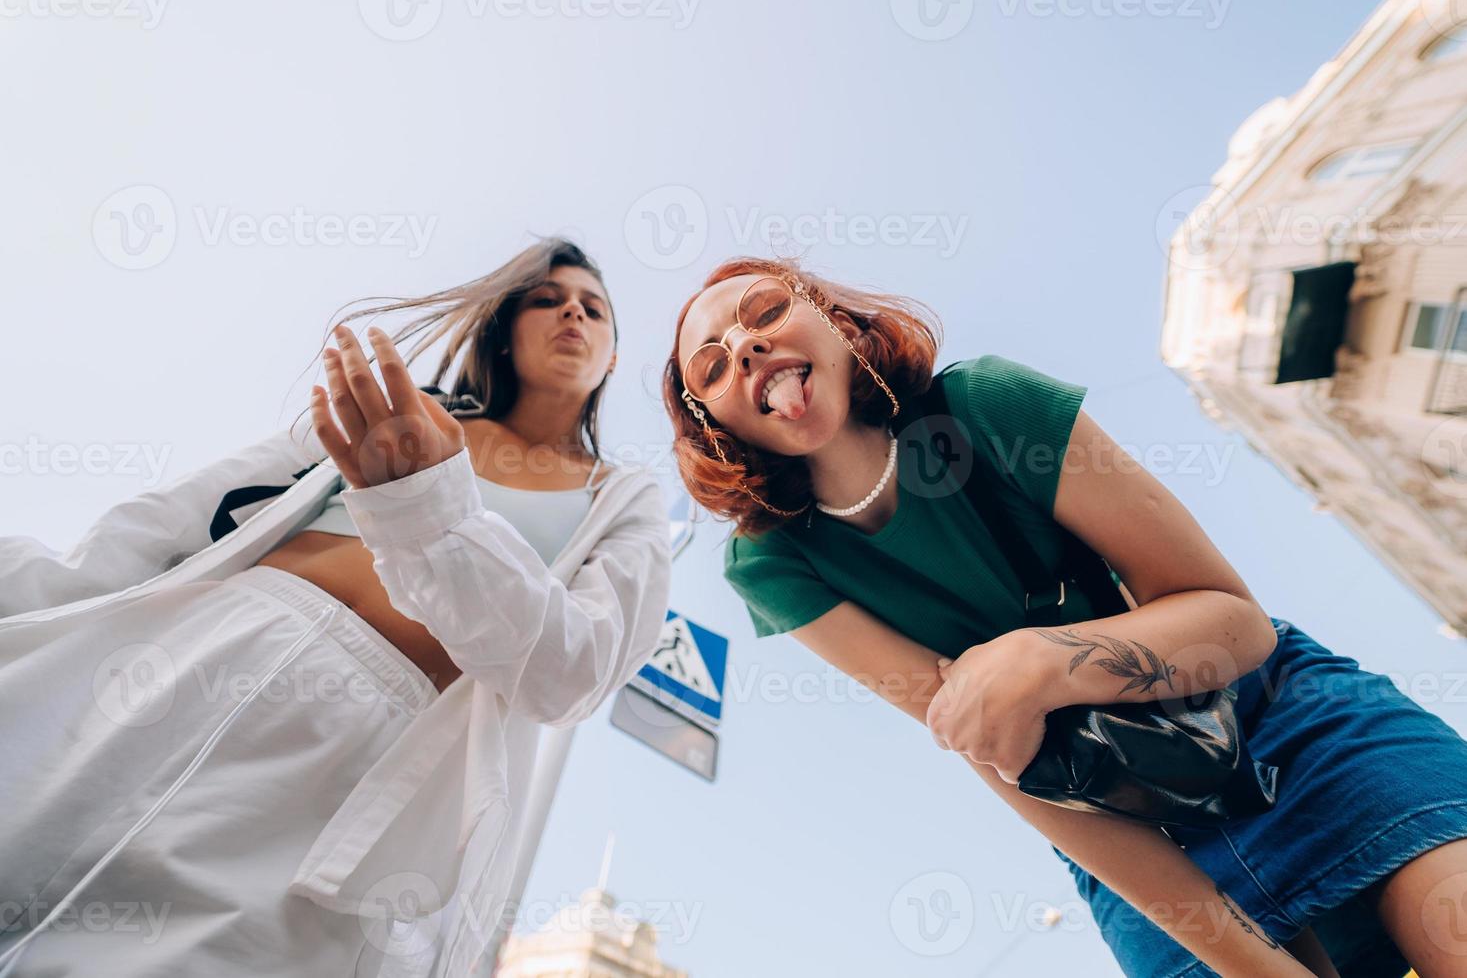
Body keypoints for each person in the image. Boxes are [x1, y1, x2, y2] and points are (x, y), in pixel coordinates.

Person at [660, 255, 1467, 977]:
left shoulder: (988, 404)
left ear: (832, 320)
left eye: (764, 313)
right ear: (711, 422)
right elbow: (998, 755)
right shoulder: (770, 565)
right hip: (1112, 812)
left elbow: (1234, 626)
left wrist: (1041, 664)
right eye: (714, 365)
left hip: (1288, 723)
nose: (746, 349)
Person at [0, 238, 673, 977]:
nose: (570, 311)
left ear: (611, 356)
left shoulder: (621, 498)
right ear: (504, 333)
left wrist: (428, 509)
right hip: (187, 653)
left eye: (593, 308)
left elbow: (573, 669)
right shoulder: (400, 411)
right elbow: (165, 521)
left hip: (364, 748)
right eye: (545, 299)